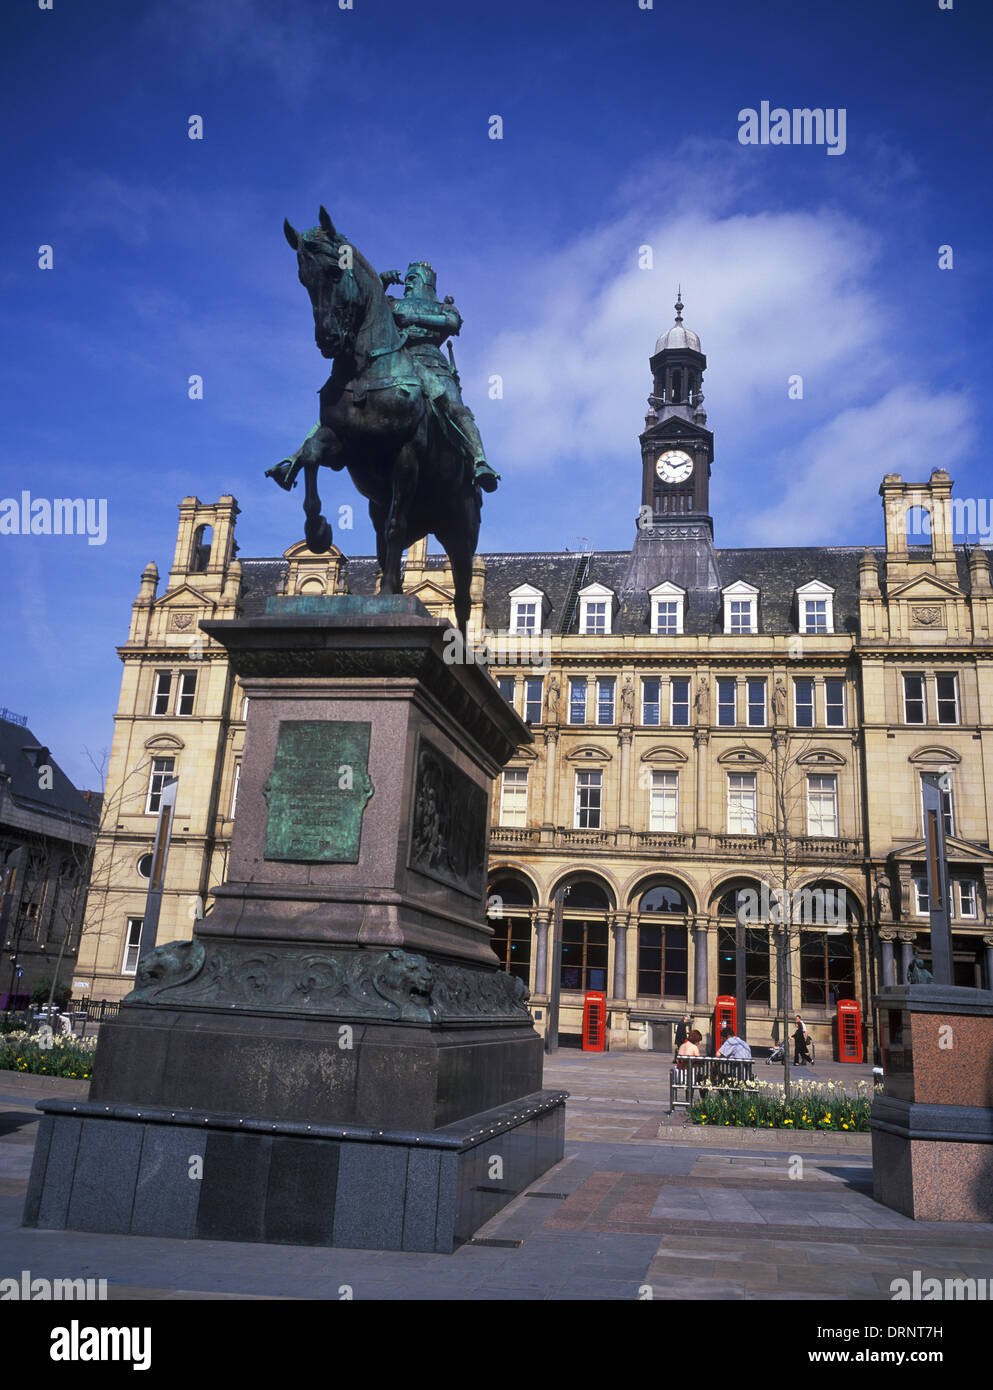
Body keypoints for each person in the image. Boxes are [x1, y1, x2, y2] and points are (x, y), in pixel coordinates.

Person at [383, 262, 501, 494]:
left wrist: (412, 317)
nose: (408, 282)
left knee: (456, 409)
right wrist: (383, 280)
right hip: (398, 361)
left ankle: (480, 460)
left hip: (433, 362)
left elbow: (452, 323)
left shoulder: (443, 307)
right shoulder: (392, 303)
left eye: (413, 278)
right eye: (407, 278)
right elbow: (368, 304)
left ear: (425, 282)